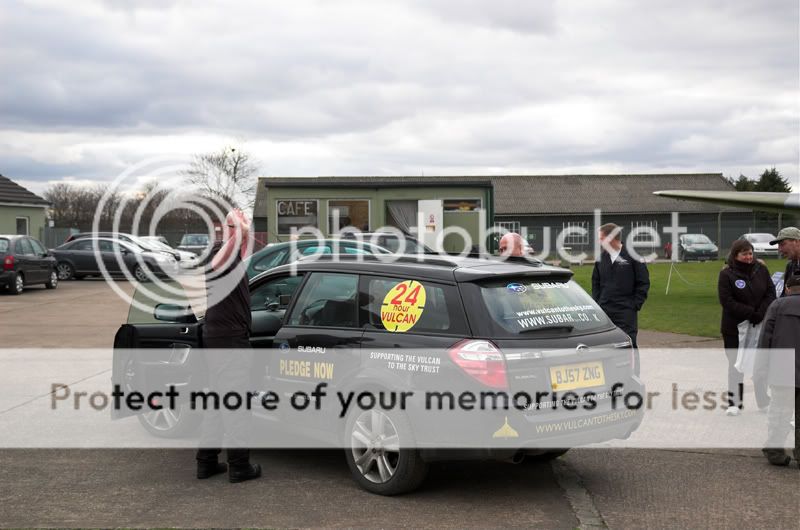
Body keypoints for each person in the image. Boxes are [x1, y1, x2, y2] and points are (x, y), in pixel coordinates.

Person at [195, 209, 261, 483]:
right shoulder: (218, 254)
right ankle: (239, 466)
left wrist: (243, 230)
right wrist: (237, 227)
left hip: (222, 339)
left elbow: (244, 250)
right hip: (228, 342)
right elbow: (226, 253)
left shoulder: (233, 258)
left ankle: (206, 462)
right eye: (237, 227)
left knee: (217, 402)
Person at [717, 239, 776, 415]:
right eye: (744, 254)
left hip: (759, 324)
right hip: (734, 328)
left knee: (760, 365)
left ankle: (763, 401)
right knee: (736, 365)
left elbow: (770, 293)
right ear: (736, 255)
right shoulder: (727, 274)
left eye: (750, 253)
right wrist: (750, 313)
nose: (748, 257)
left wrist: (761, 313)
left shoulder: (761, 269)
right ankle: (734, 403)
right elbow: (727, 301)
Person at [591, 223, 650, 375]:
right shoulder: (601, 258)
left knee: (629, 346)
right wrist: (598, 303)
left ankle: (633, 378)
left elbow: (643, 283)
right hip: (605, 311)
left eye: (601, 238)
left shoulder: (633, 256)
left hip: (626, 312)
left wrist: (634, 305)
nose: (599, 242)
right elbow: (596, 283)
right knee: (606, 347)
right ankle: (611, 377)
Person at [754, 273, 800, 467]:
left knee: (780, 411)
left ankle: (774, 450)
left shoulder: (777, 305)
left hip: (783, 367)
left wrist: (760, 369)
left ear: (787, 288)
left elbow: (765, 338)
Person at [770, 227, 800, 297]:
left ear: (797, 242)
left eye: (782, 244)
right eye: (779, 245)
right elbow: (784, 295)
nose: (780, 249)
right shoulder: (790, 266)